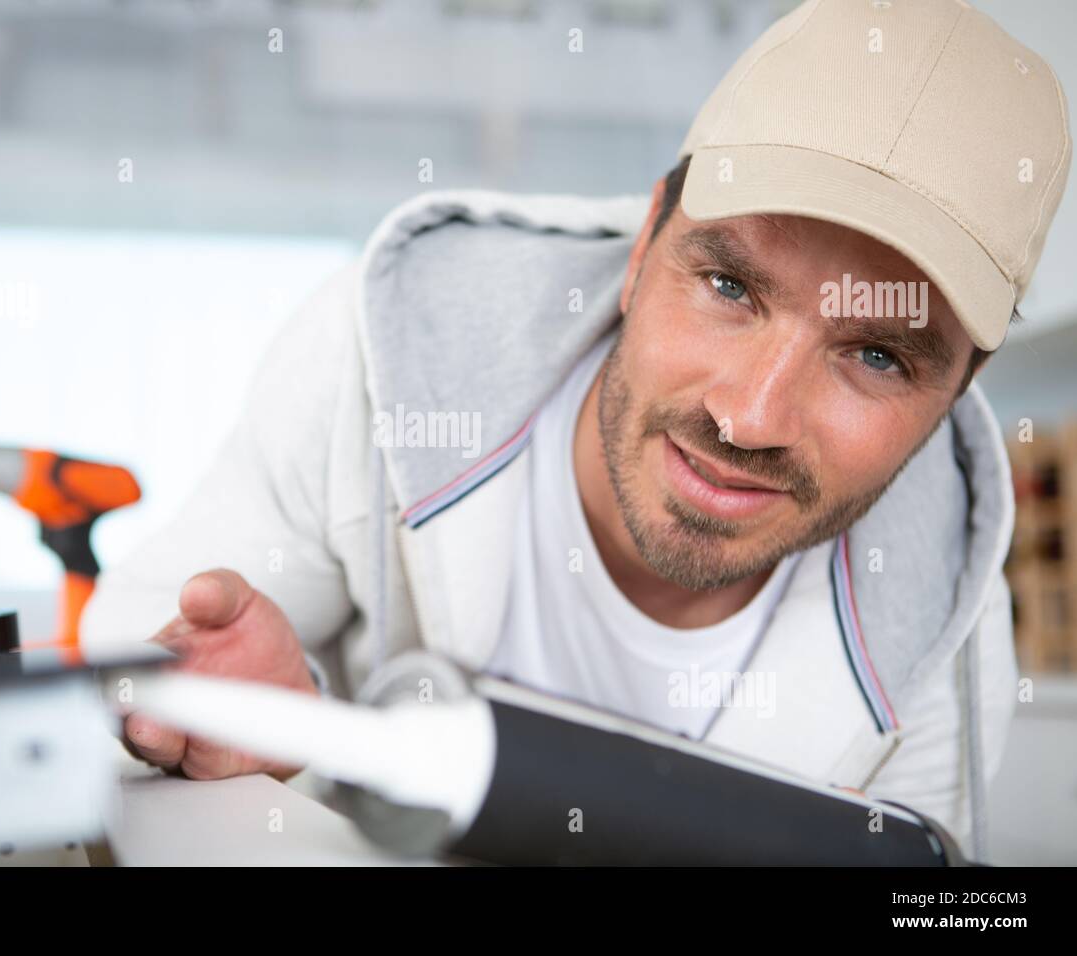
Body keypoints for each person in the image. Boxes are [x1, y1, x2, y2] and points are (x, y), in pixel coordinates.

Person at [83, 0, 1072, 859]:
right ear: (644, 240)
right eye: (728, 285)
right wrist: (282, 731)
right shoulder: (382, 352)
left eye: (877, 356)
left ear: (958, 388)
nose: (748, 415)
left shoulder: (943, 618)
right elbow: (122, 666)